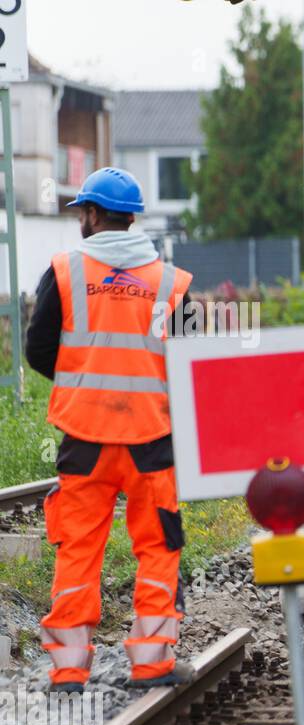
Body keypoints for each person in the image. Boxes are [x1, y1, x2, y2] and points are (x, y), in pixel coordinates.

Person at [24, 167, 194, 693]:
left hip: (84, 440)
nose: (81, 220)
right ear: (133, 217)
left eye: (83, 213)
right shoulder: (171, 282)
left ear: (95, 216)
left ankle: (69, 672)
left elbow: (37, 348)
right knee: (157, 549)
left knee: (78, 550)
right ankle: (152, 663)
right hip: (152, 442)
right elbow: (191, 364)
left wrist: (82, 384)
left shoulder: (64, 271)